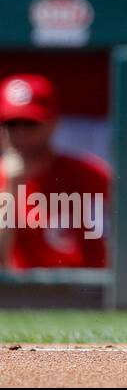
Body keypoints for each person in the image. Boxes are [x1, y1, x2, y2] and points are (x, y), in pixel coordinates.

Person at [0, 74, 111, 270]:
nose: (20, 134)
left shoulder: (89, 175)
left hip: (87, 294)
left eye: (30, 123)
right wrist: (11, 190)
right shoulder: (4, 181)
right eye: (11, 124)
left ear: (53, 123)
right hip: (23, 296)